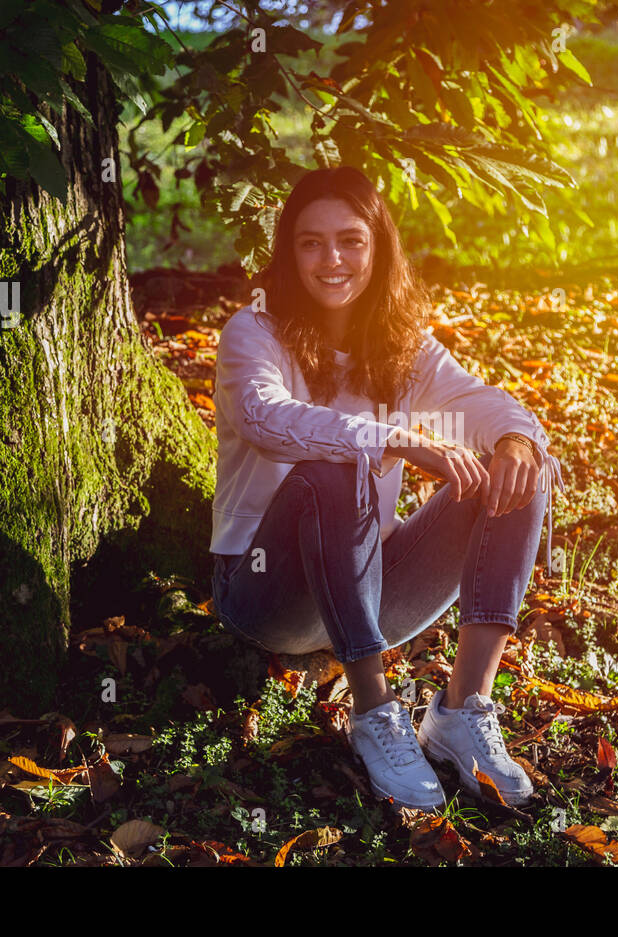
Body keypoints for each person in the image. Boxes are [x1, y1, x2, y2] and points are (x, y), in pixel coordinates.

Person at [209, 165, 566, 810]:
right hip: (268, 594)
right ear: (288, 254)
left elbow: (477, 401)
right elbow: (266, 418)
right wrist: (393, 438)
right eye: (310, 243)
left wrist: (515, 438)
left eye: (351, 239)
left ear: (378, 247)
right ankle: (374, 711)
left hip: (371, 589)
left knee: (521, 460)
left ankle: (464, 709)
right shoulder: (253, 333)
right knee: (338, 461)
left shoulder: (402, 346)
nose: (332, 259)